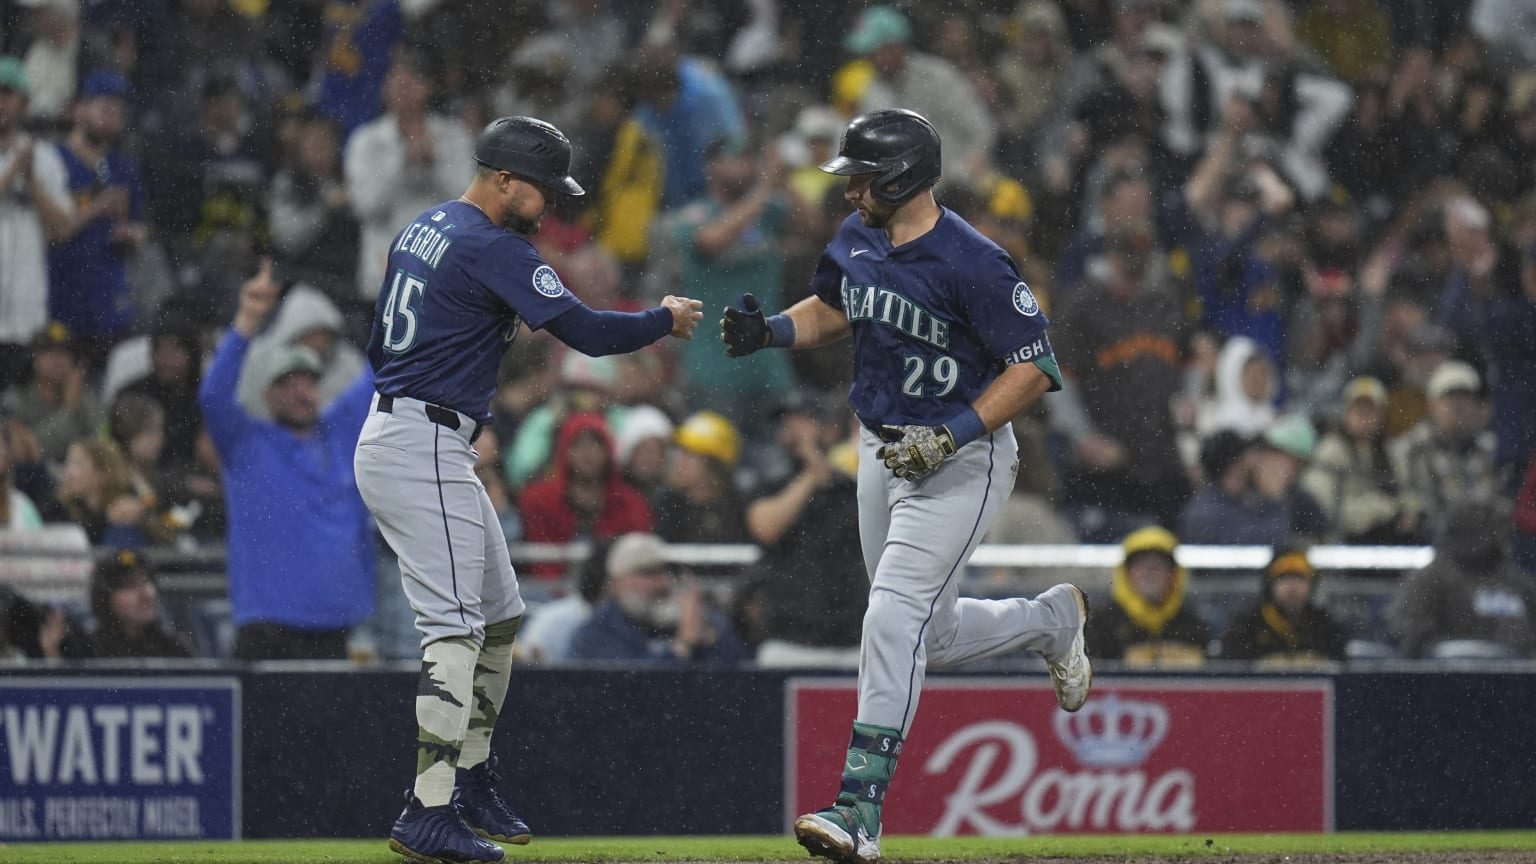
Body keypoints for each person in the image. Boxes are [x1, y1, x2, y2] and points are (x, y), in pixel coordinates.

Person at [719, 108, 1090, 864]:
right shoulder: (859, 237)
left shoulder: (974, 260)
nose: (850, 190)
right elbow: (834, 306)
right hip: (880, 448)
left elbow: (1034, 368)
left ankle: (859, 810)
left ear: (899, 177)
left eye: (861, 177)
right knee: (931, 632)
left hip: (964, 458)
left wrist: (952, 435)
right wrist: (774, 332)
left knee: (891, 618)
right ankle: (1050, 621)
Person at [351, 115, 702, 864]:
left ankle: (470, 776)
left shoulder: (427, 226)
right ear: (503, 179)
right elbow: (587, 332)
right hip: (423, 442)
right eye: (541, 189)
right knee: (454, 628)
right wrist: (662, 319)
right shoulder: (490, 243)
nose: (549, 206)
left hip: (416, 429)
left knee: (503, 615)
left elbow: (379, 339)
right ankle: (428, 808)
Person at [199, 261, 377, 661]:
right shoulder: (245, 443)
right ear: (266, 395)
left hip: (337, 627)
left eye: (309, 380)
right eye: (287, 382)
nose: (302, 391)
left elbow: (384, 370)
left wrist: (414, 296)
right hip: (268, 628)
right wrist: (246, 321)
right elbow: (212, 396)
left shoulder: (341, 432)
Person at [566, 531, 750, 665]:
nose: (662, 583)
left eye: (665, 572)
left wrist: (711, 639)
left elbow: (742, 674)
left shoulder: (696, 619)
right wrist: (682, 646)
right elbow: (627, 691)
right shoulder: (597, 631)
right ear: (616, 582)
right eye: (647, 573)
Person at [1387, 499, 1536, 659]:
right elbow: (1408, 636)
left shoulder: (1517, 582)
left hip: (1515, 681)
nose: (1503, 534)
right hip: (1443, 679)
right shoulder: (1427, 581)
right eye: (1493, 527)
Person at [1085, 526, 1212, 667]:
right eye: (1140, 565)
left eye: (1158, 566)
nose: (1149, 573)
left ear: (1174, 575)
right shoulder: (1102, 624)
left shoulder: (1193, 623)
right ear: (1125, 574)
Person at [1219, 547, 1348, 664]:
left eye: (1300, 578)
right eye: (1283, 577)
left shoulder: (1325, 625)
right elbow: (1230, 667)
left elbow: (1341, 666)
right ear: (1270, 584)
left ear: (1312, 585)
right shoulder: (1248, 624)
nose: (1292, 586)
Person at [86, 548, 194, 659]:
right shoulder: (87, 650)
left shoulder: (174, 648)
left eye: (146, 581)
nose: (146, 593)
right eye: (129, 585)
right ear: (105, 599)